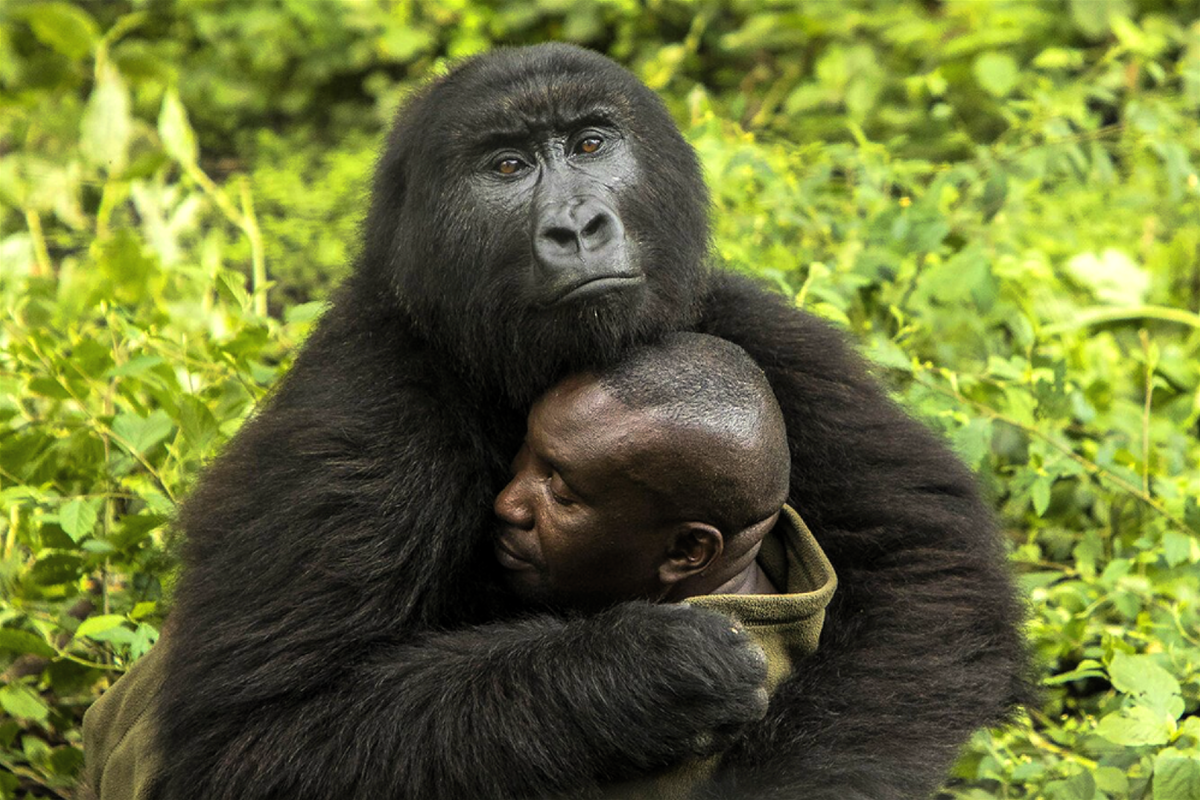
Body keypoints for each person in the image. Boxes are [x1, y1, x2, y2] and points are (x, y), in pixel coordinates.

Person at [493, 332, 837, 799]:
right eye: (526, 451)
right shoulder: (753, 537)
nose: (508, 504)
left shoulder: (675, 748)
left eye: (561, 494)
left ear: (687, 552)